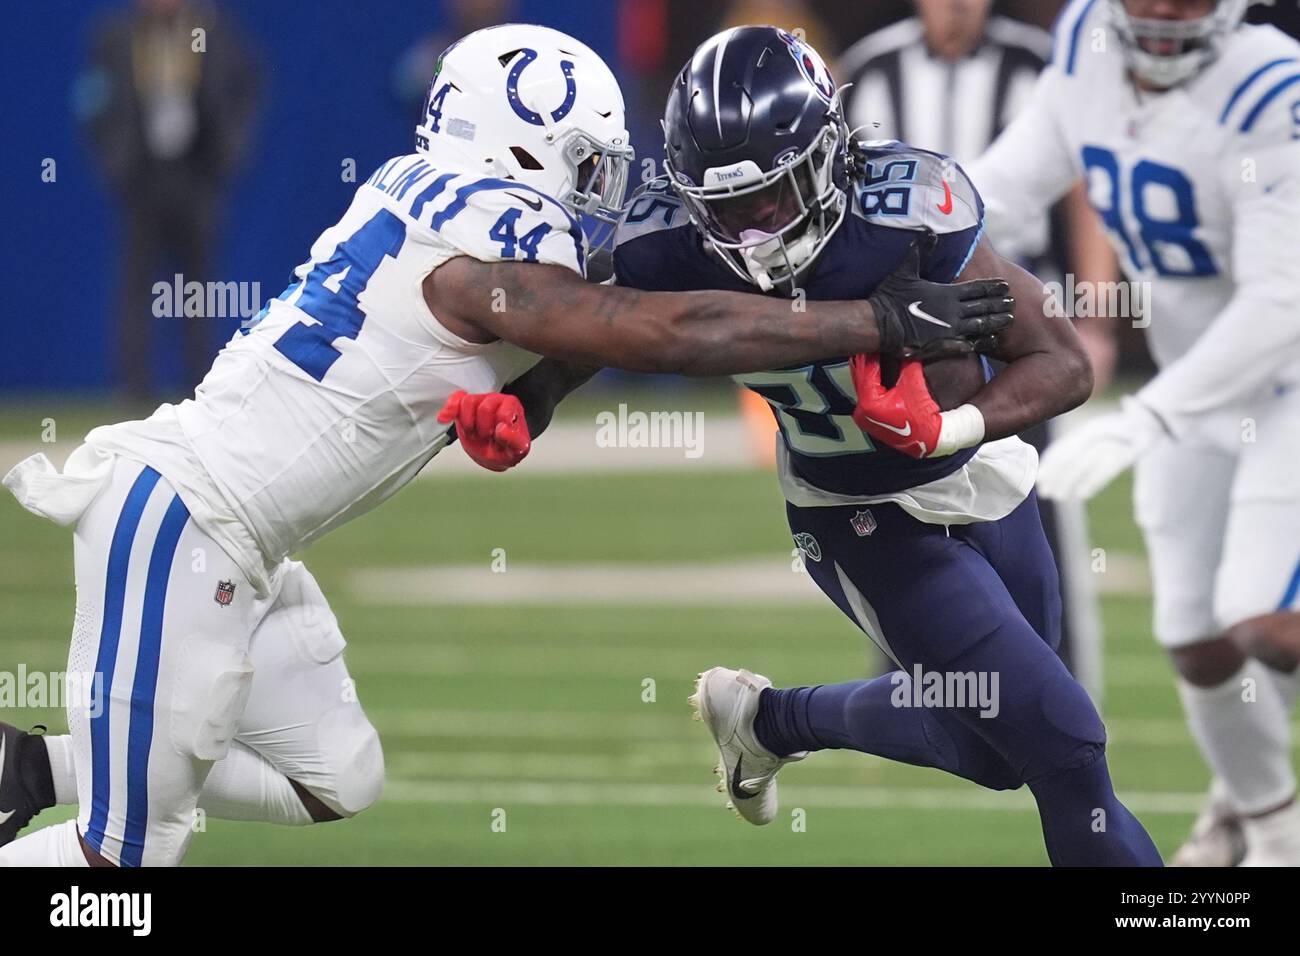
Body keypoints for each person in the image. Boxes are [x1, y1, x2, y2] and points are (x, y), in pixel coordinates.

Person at [0, 23, 1008, 867]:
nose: (597, 185)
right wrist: (872, 320)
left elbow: (569, 333)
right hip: (187, 526)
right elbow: (654, 331)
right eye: (585, 159)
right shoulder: (480, 245)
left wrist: (527, 401)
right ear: (524, 148)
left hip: (238, 540)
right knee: (120, 866)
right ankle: (111, 779)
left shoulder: (417, 193)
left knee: (333, 776)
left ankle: (34, 766)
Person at [607, 26, 1159, 865]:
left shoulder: (902, 214)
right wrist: (523, 399)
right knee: (1067, 743)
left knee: (992, 751)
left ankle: (769, 722)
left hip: (981, 477)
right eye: (729, 209)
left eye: (775, 196)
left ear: (830, 157)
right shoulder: (663, 248)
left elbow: (1062, 362)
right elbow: (585, 332)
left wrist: (949, 427)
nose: (755, 231)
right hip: (857, 511)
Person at [973, 0, 1300, 866]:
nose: (1161, 9)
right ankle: (1271, 830)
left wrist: (1149, 415)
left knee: (1265, 621)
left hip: (1289, 377)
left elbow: (1281, 302)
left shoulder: (1270, 85)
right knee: (1197, 639)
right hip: (1195, 377)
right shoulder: (1089, 42)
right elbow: (1002, 186)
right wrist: (903, 229)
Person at [839, 0, 1121, 689]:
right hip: (906, 333)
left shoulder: (1036, 63)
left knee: (1037, 503)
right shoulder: (870, 69)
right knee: (903, 508)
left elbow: (1086, 188)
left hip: (1016, 327)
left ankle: (1059, 686)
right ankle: (909, 689)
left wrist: (1096, 312)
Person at [77, 0, 261, 400]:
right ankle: (134, 392)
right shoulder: (116, 35)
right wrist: (114, 160)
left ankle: (199, 385)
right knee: (137, 287)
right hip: (142, 175)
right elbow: (91, 99)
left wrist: (230, 149)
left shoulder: (211, 31)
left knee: (197, 290)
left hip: (196, 173)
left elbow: (246, 86)